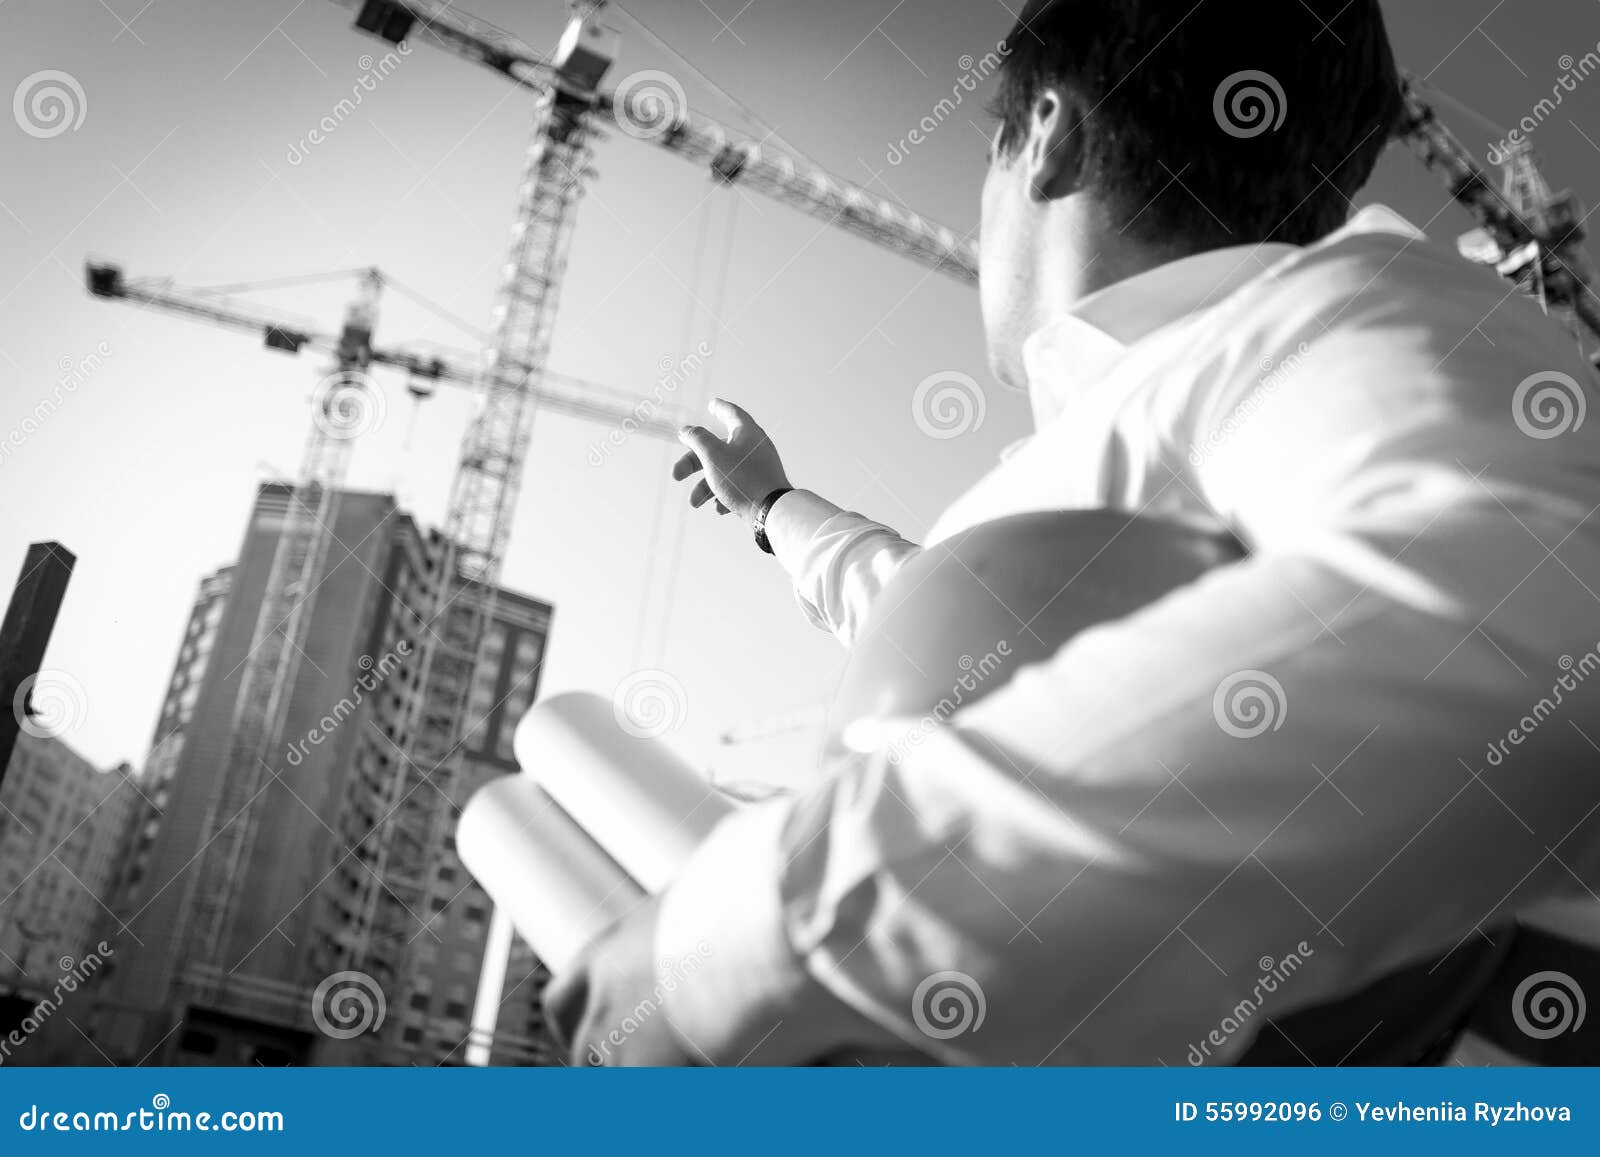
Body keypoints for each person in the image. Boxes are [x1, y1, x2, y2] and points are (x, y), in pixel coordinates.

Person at [545, 0, 1600, 1065]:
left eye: (985, 160)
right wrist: (774, 510)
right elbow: (946, 621)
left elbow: (1517, 610)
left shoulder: (1334, 312)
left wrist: (746, 937)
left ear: (1043, 137)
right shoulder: (1133, 442)